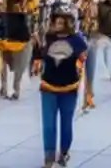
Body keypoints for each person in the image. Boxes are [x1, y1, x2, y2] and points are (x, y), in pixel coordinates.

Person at [33, 11, 88, 168]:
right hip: (48, 86)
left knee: (66, 123)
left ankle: (64, 152)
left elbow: (83, 59)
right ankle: (49, 156)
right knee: (48, 124)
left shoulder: (77, 40)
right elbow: (39, 55)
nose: (58, 25)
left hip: (69, 88)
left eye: (61, 23)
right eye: (56, 22)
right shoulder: (47, 38)